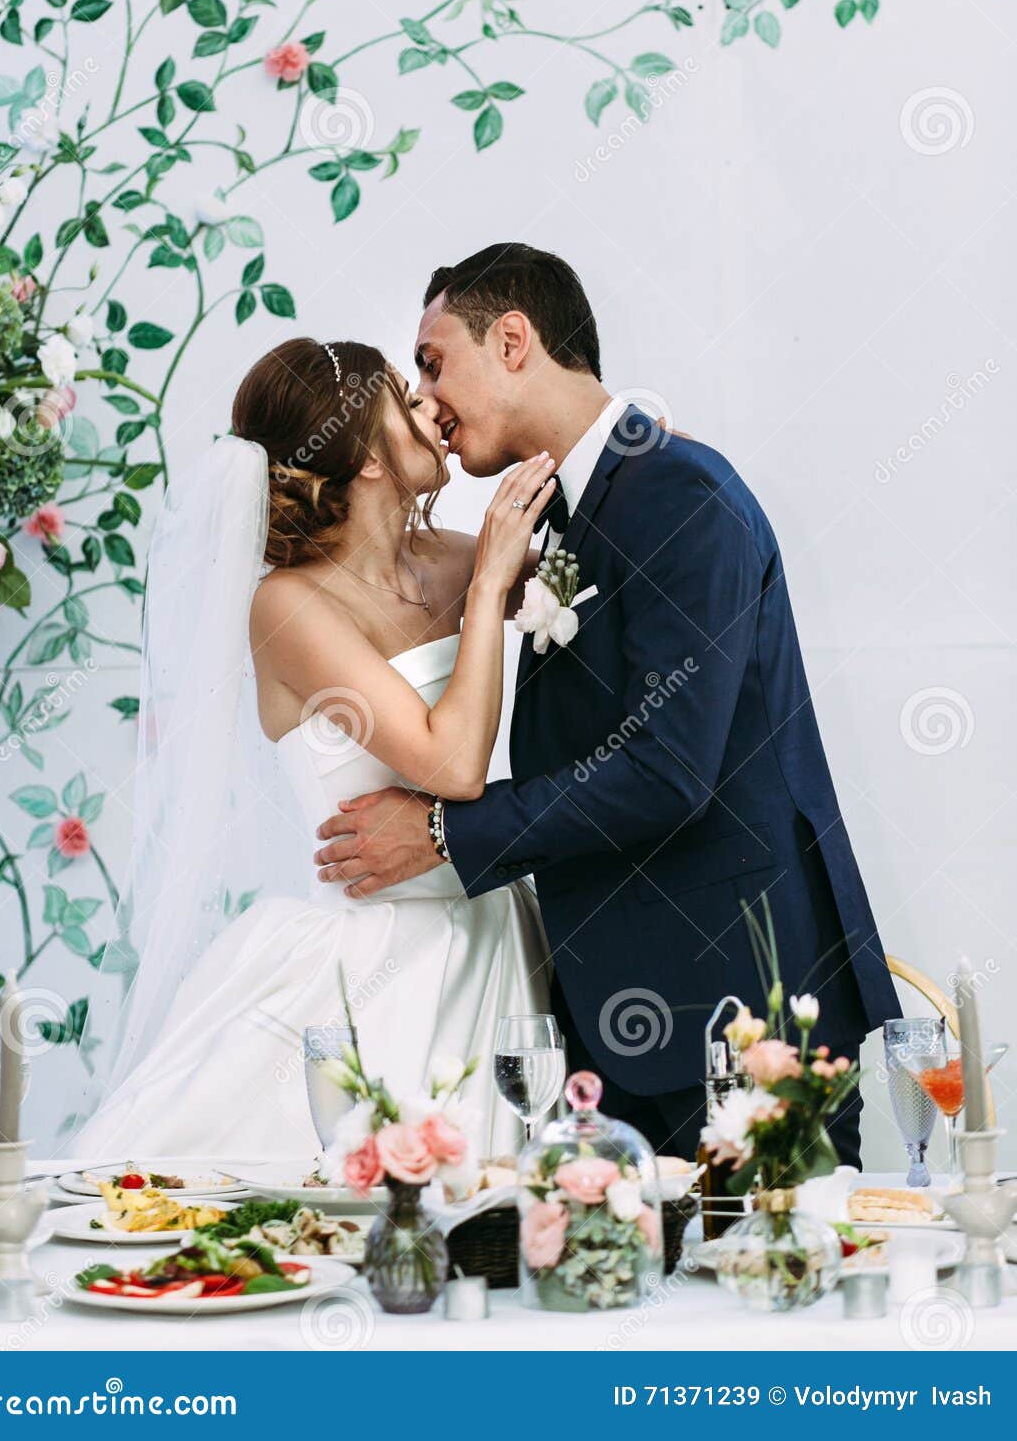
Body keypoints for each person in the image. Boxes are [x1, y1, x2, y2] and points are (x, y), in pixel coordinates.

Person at [315, 243, 902, 1166]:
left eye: (434, 363)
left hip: (739, 1019)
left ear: (513, 340)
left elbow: (668, 771)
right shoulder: (556, 516)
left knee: (773, 1302)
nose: (426, 399)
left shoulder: (678, 493)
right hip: (625, 1017)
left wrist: (439, 835)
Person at [70, 337, 552, 1159]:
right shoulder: (286, 607)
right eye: (407, 399)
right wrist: (487, 590)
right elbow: (452, 765)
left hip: (498, 930)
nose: (434, 408)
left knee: (505, 1212)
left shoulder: (450, 559)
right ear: (364, 456)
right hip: (374, 962)